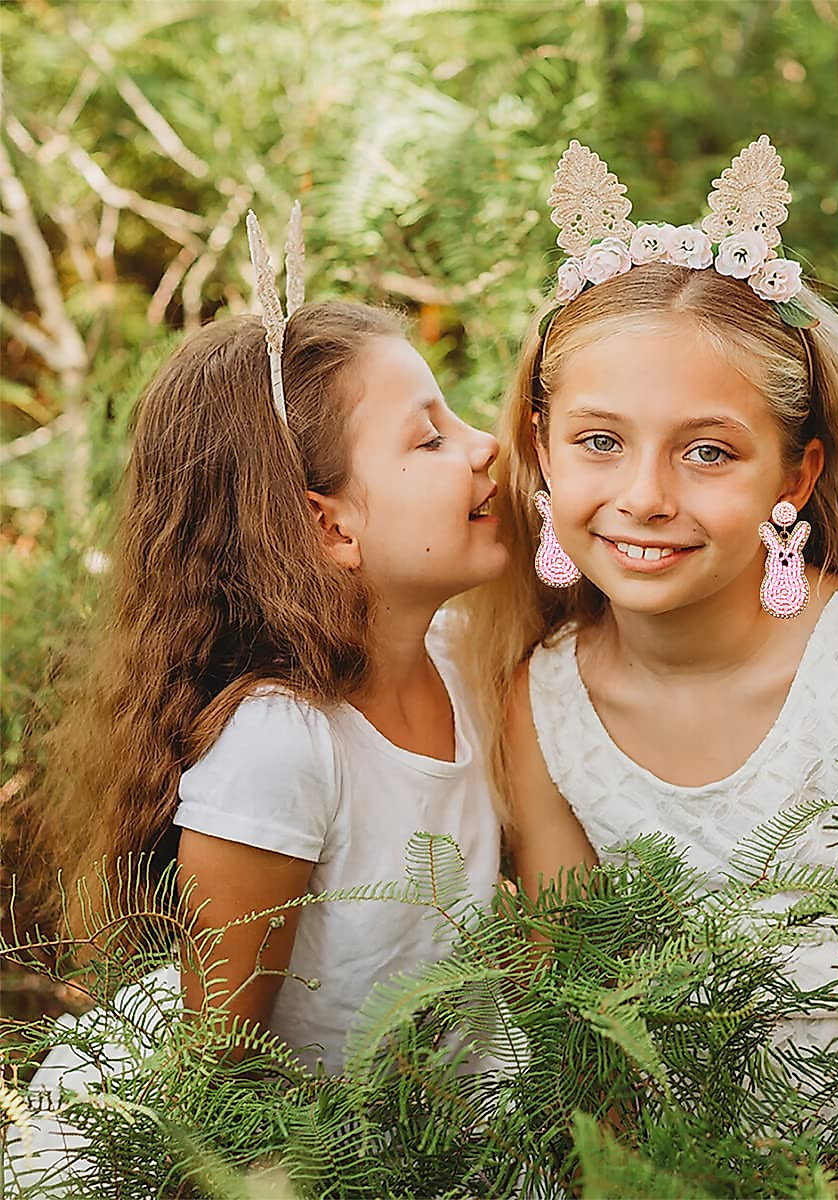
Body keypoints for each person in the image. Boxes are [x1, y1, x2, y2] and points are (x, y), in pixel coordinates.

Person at [464, 138, 838, 1198]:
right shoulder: (542, 700)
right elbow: (588, 1031)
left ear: (796, 473)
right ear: (541, 446)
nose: (645, 497)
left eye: (708, 451)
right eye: (600, 441)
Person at [17, 208, 506, 1165]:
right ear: (331, 528)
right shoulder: (282, 746)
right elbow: (223, 1073)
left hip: (446, 1122)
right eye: (429, 439)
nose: (485, 443)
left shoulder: (464, 662)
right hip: (306, 1152)